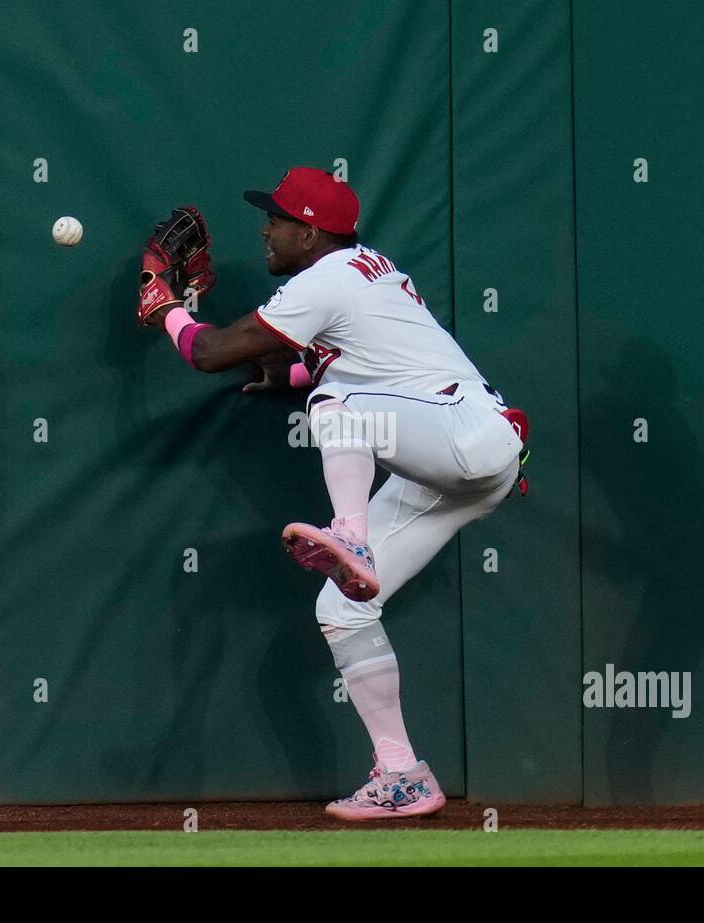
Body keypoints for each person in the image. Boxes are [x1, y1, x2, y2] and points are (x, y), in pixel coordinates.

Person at [137, 167, 527, 820]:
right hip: (474, 457)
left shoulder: (328, 278)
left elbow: (211, 353)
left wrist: (164, 308)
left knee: (334, 399)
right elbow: (324, 361)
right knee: (341, 606)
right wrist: (280, 371)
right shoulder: (368, 271)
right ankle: (402, 772)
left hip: (463, 435)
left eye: (279, 219)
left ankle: (350, 529)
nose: (266, 228)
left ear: (310, 231)